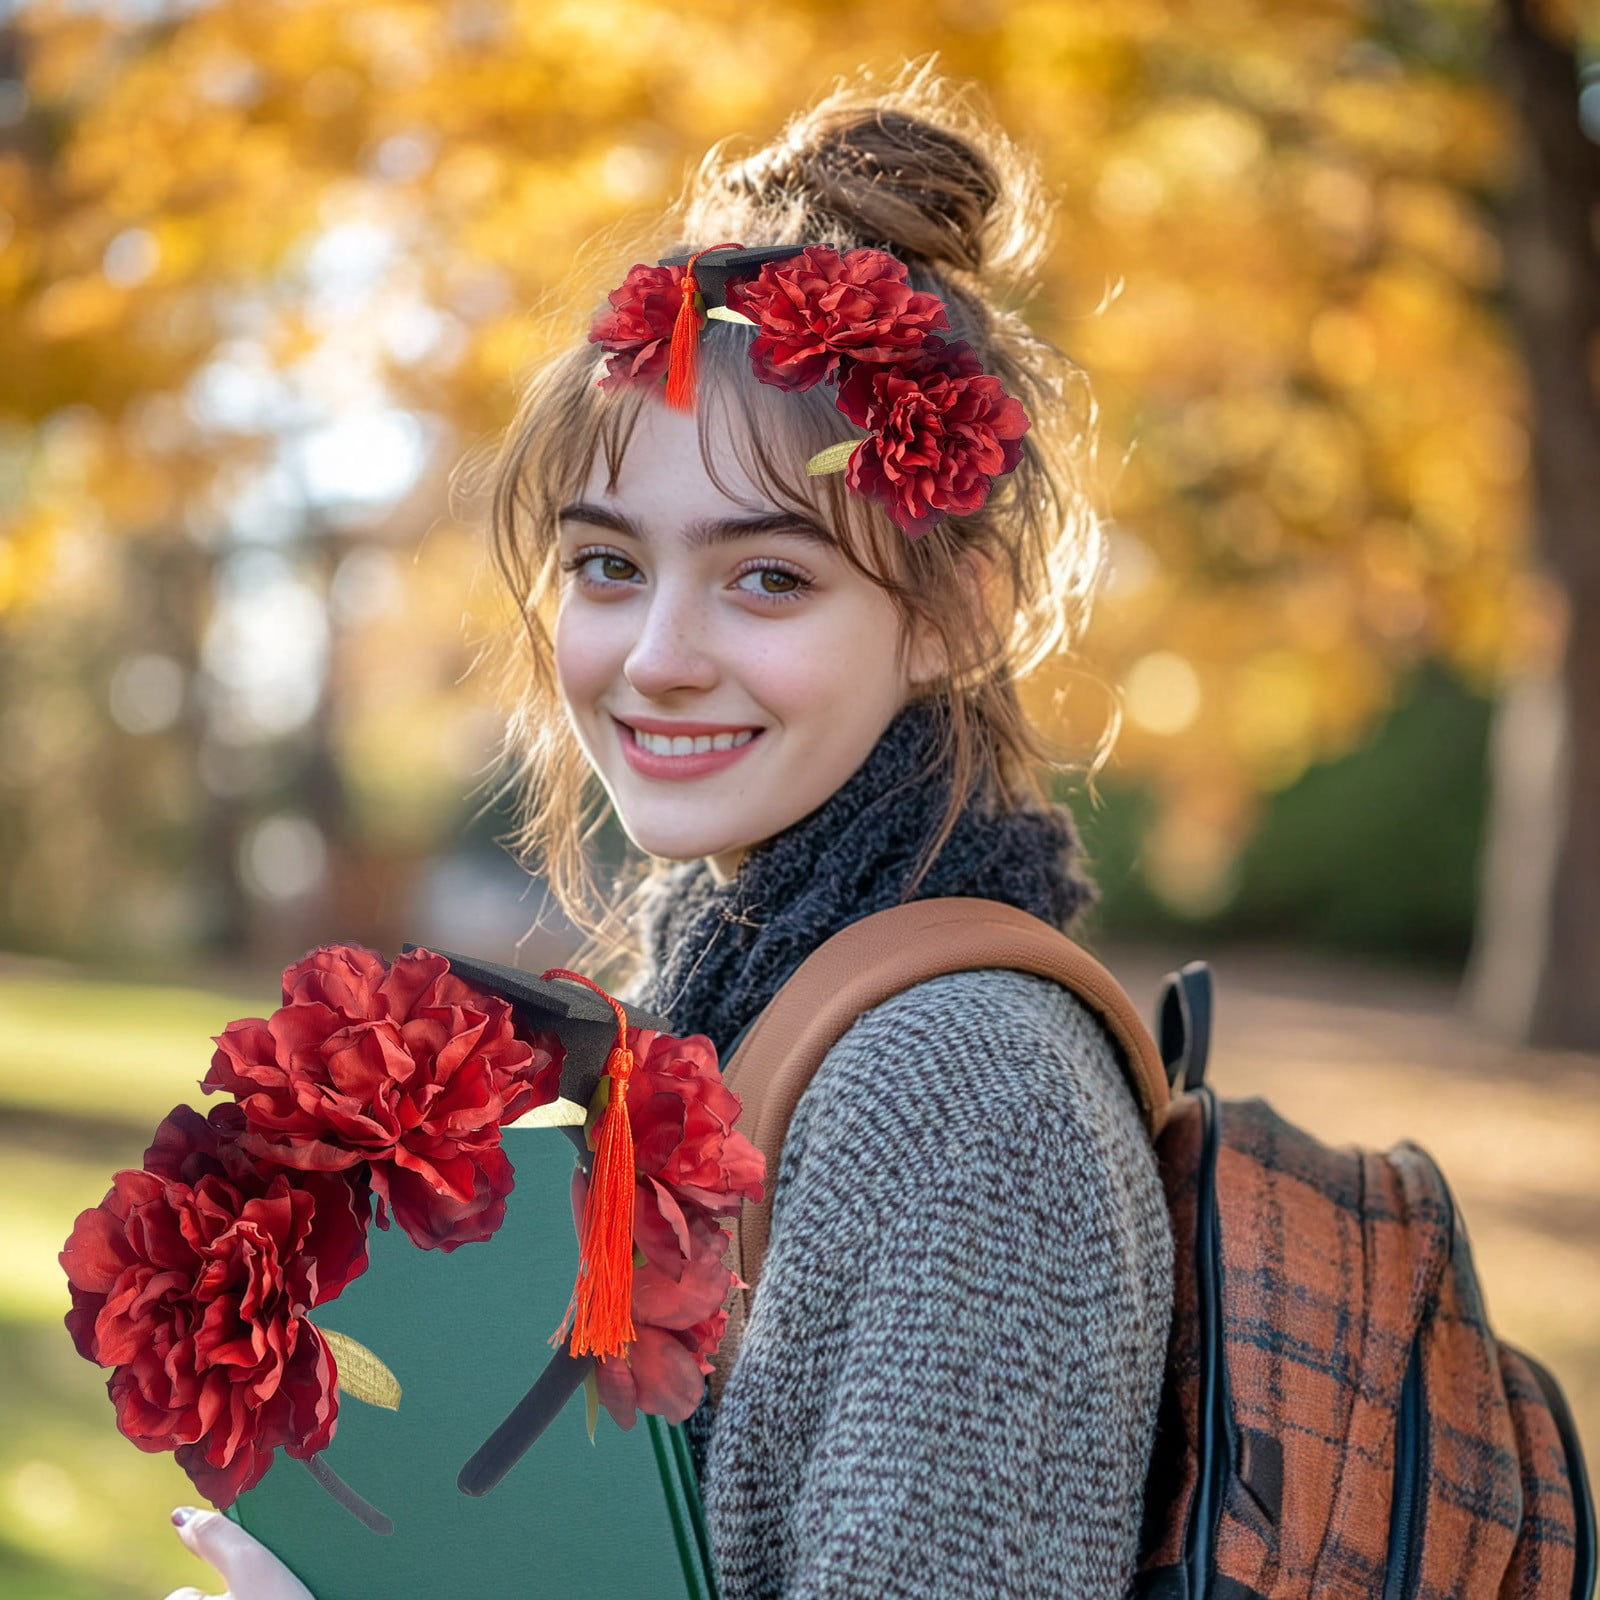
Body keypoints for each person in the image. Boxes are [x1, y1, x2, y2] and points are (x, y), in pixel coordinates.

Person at [160, 61, 1174, 1600]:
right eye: (609, 565)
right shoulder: (742, 1011)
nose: (656, 657)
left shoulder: (962, 1090)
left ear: (958, 614)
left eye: (770, 578)